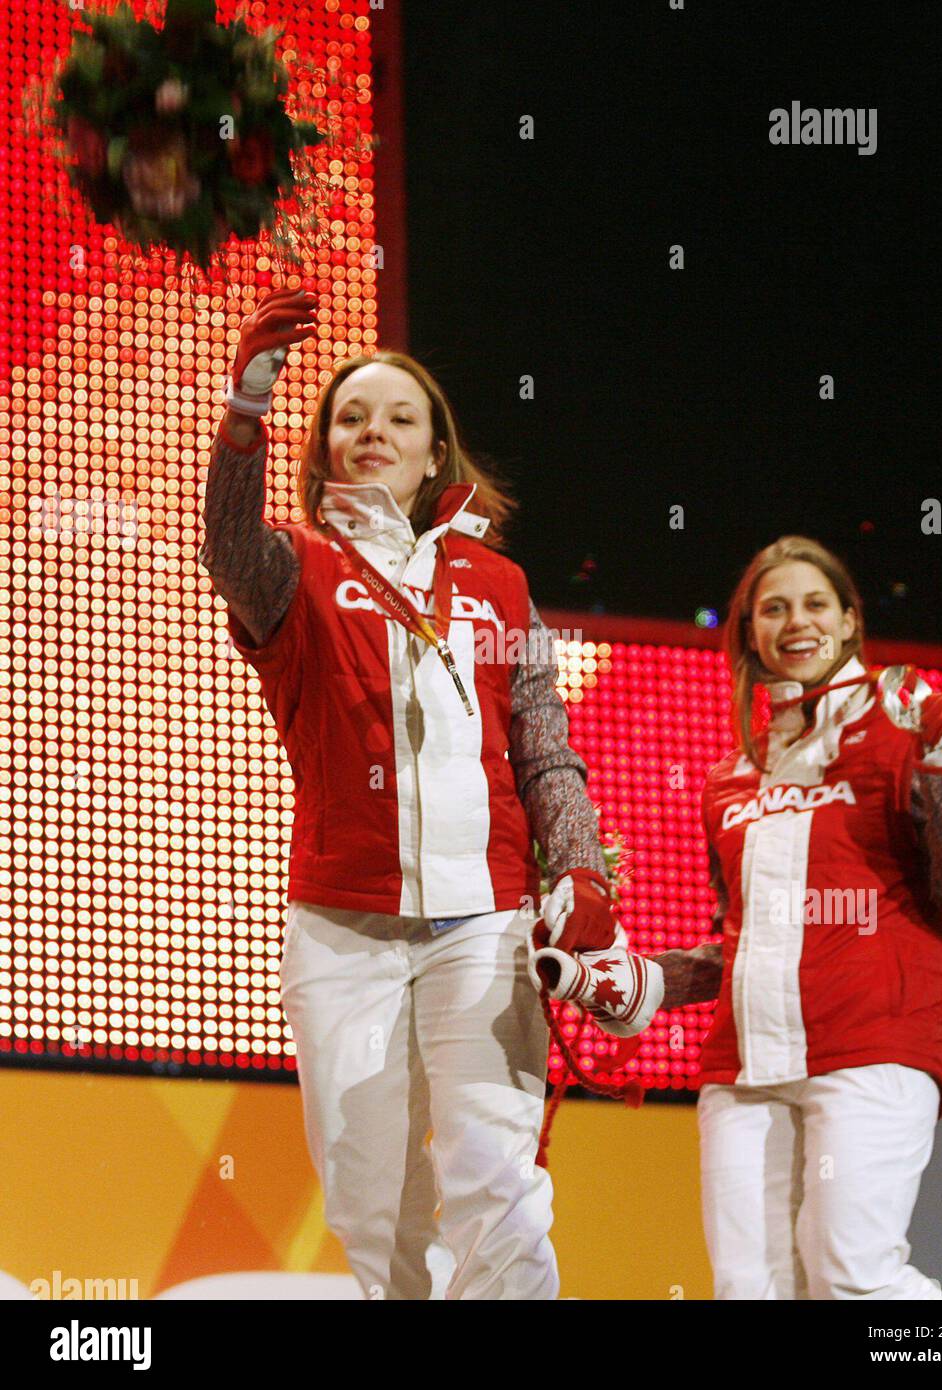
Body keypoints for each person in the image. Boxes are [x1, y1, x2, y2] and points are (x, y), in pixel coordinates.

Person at [199, 287, 622, 1299]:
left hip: (485, 917)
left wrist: (579, 867)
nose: (372, 431)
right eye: (350, 417)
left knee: (496, 1180)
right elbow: (224, 545)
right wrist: (245, 408)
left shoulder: (498, 583)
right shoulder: (294, 568)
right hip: (342, 925)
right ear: (326, 449)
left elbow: (542, 744)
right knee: (371, 1204)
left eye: (398, 416)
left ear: (436, 450)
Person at [529, 535, 942, 1300]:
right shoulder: (727, 779)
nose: (795, 621)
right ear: (748, 630)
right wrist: (639, 979)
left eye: (815, 604)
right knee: (751, 1293)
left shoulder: (899, 737)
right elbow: (741, 945)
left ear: (850, 621)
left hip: (869, 1050)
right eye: (772, 608)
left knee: (852, 1279)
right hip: (744, 1070)